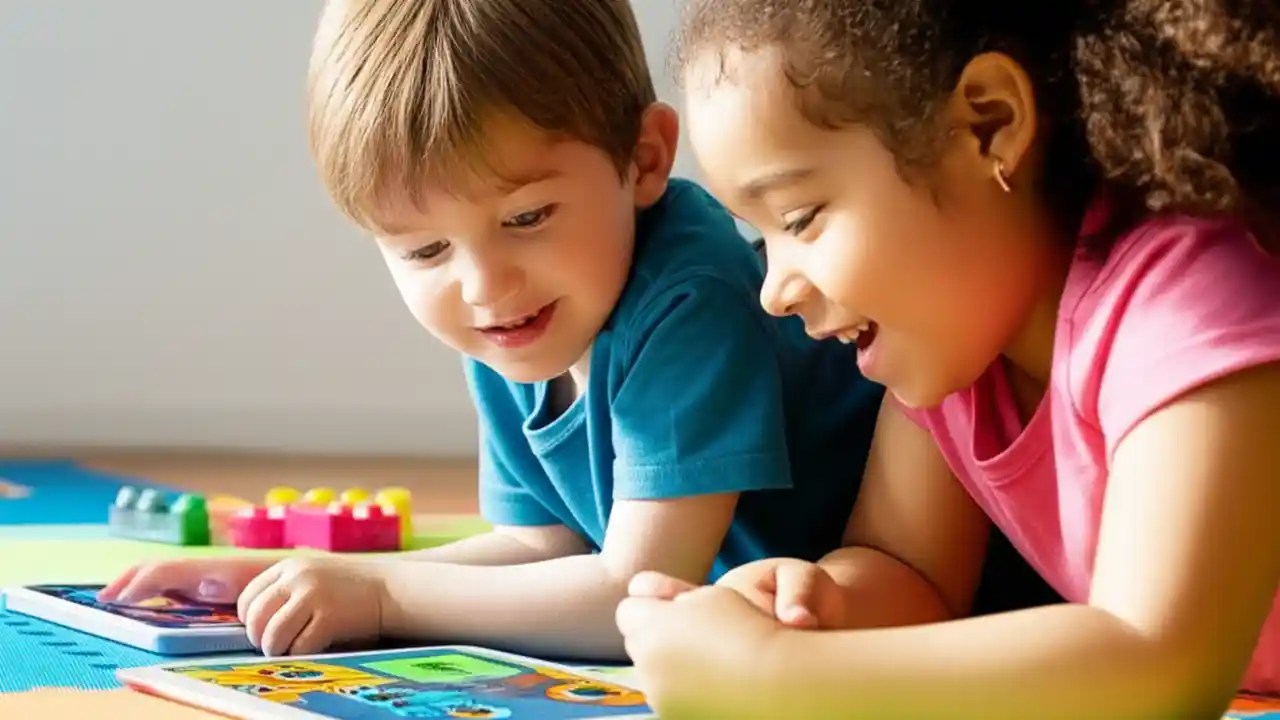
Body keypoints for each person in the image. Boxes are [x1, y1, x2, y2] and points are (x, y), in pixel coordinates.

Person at [97, 0, 887, 662]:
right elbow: (543, 549)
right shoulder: (519, 318)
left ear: (645, 159)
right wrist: (304, 575)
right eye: (425, 249)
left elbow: (637, 590)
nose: (483, 284)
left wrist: (383, 591)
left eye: (527, 217)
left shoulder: (690, 291)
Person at [618, 0, 1280, 716]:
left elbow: (1164, 662)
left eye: (802, 218)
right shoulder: (955, 353)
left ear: (990, 126)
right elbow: (909, 573)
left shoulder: (1188, 292)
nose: (774, 292)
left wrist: (776, 672)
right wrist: (811, 606)